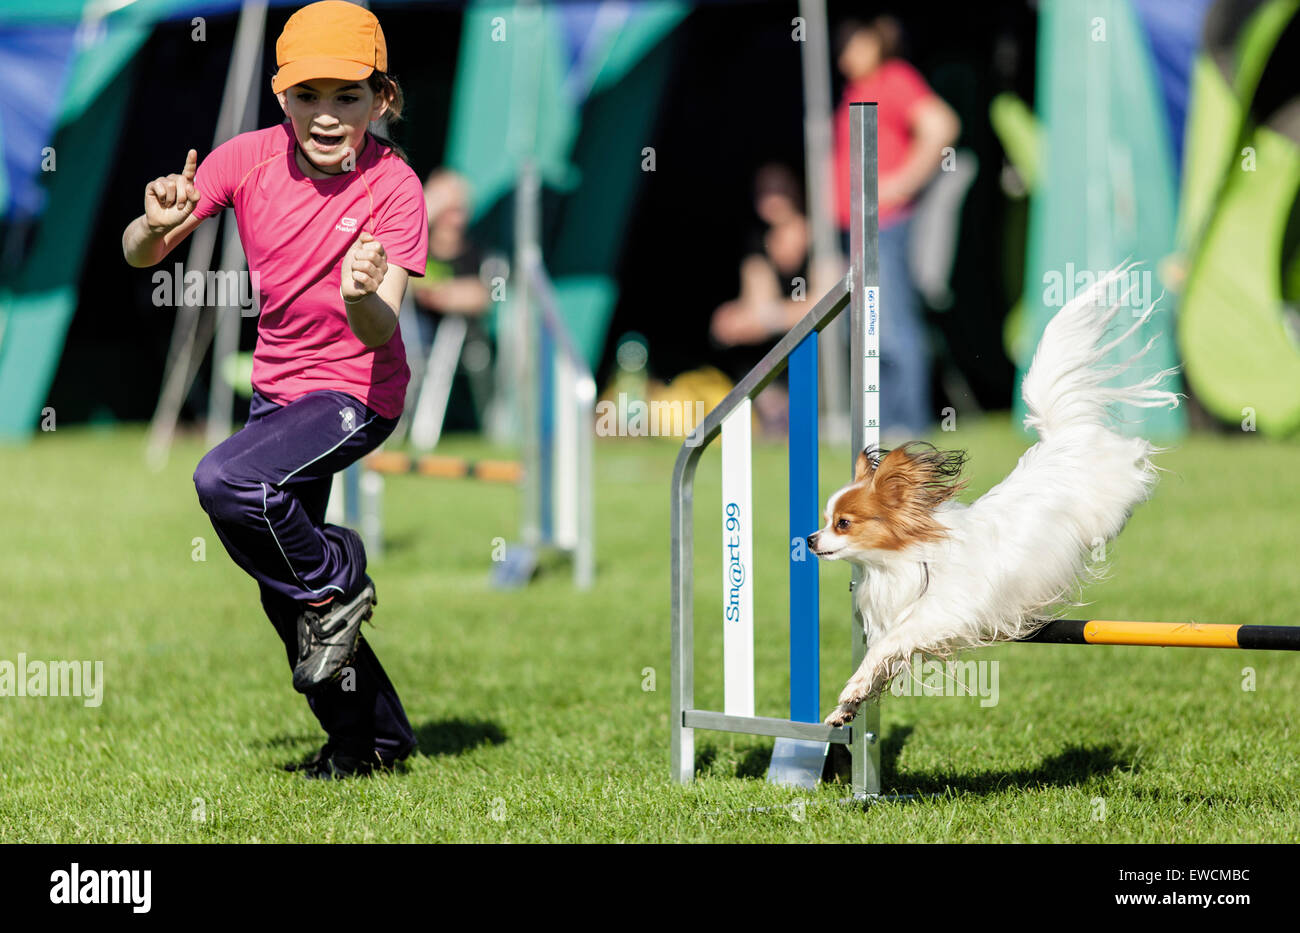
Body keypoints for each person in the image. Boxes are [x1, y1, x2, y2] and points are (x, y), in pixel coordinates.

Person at [121, 1, 427, 779]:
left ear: (381, 99)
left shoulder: (395, 189)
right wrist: (155, 225)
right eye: (308, 97)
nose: (326, 117)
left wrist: (361, 289)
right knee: (277, 592)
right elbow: (139, 254)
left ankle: (338, 574)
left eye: (348, 98)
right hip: (279, 395)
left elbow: (376, 330)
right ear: (280, 95)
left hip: (359, 391)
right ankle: (372, 743)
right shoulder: (246, 158)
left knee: (224, 478)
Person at [833, 15, 960, 439]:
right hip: (856, 230)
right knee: (868, 334)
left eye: (853, 43)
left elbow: (943, 125)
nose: (845, 54)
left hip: (885, 226)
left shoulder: (894, 79)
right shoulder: (857, 89)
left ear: (874, 42)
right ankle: (881, 426)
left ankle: (909, 422)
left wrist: (903, 181)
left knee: (893, 327)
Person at [708, 163, 812, 436]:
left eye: (778, 187)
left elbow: (825, 304)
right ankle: (769, 408)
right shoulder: (757, 239)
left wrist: (768, 317)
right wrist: (736, 318)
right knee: (729, 326)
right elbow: (758, 303)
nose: (771, 196)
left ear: (798, 188)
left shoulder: (822, 234)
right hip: (776, 340)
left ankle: (786, 409)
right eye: (763, 190)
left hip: (820, 342)